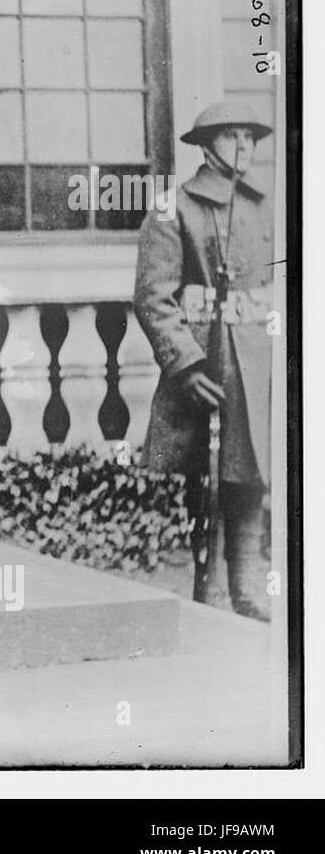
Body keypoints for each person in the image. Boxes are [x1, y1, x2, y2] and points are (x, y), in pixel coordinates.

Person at [135, 101, 275, 621]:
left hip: (255, 363)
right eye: (231, 136)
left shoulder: (264, 206)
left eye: (250, 137)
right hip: (204, 363)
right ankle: (207, 585)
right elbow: (153, 298)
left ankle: (246, 586)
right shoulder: (175, 208)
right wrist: (187, 364)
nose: (243, 146)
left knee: (251, 473)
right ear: (207, 144)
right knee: (207, 477)